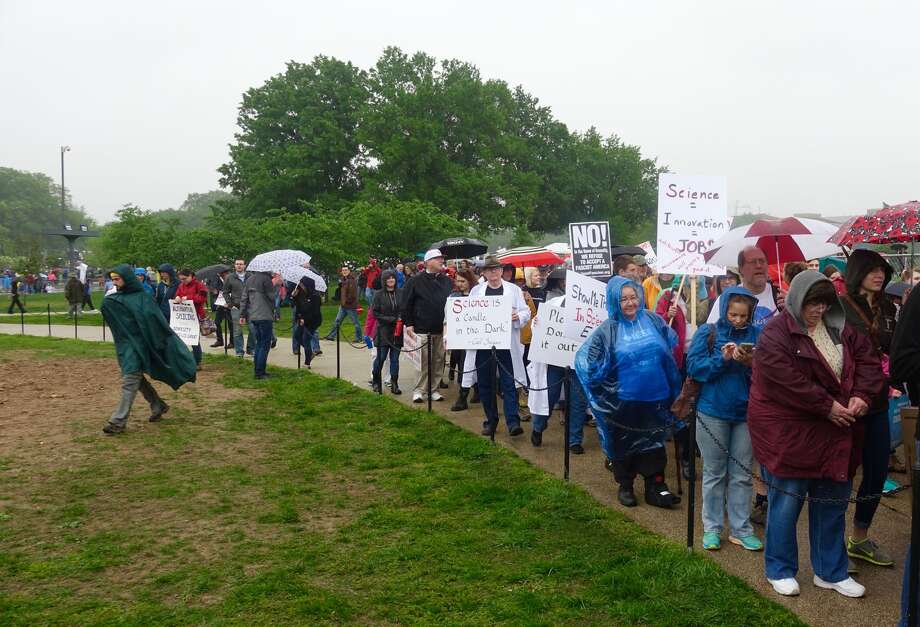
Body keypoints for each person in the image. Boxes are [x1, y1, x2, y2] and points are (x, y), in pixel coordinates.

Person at [748, 270, 883, 598]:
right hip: (791, 435)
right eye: (812, 303)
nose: (818, 310)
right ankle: (779, 568)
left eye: (824, 303)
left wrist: (862, 397)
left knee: (832, 504)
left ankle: (831, 571)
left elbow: (869, 362)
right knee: (785, 505)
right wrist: (827, 406)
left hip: (836, 433)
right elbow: (784, 381)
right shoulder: (775, 334)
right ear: (796, 300)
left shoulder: (842, 329)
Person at [575, 276, 683, 508]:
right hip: (623, 402)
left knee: (654, 443)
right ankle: (625, 485)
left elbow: (668, 348)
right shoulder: (607, 330)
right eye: (623, 299)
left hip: (656, 397)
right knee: (624, 444)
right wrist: (606, 392)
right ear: (615, 302)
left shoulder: (653, 320)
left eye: (633, 297)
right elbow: (588, 363)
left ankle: (656, 486)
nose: (630, 303)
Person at [708, 245, 785, 524]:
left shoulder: (779, 295)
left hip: (771, 384)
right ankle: (733, 502)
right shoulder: (727, 298)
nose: (759, 266)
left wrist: (789, 311)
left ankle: (764, 498)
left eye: (763, 261)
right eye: (752, 262)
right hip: (735, 388)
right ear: (741, 269)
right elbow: (712, 338)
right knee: (735, 454)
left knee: (766, 446)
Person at [686, 286, 762, 552]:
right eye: (733, 314)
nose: (738, 320)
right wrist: (723, 359)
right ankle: (712, 528)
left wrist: (750, 363)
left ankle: (741, 529)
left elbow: (768, 373)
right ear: (724, 310)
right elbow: (695, 368)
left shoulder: (757, 334)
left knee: (741, 474)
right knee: (714, 472)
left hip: (745, 412)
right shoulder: (709, 332)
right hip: (712, 411)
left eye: (743, 315)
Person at [838, 250, 897, 569]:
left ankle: (859, 538)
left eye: (883, 270)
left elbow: (895, 347)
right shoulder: (840, 307)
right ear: (857, 271)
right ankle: (832, 545)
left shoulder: (890, 307)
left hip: (879, 401)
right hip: (849, 401)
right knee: (841, 473)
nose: (879, 275)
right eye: (872, 269)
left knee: (876, 472)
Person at [99, 265, 197, 435]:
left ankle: (118, 421)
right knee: (135, 377)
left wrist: (160, 342)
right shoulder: (113, 299)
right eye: (113, 279)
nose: (115, 282)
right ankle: (157, 404)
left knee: (130, 379)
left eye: (117, 279)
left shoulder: (143, 298)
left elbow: (155, 321)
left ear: (127, 278)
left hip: (143, 345)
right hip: (126, 345)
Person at [461, 255, 531, 436]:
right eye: (489, 269)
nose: (494, 272)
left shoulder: (513, 290)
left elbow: (525, 311)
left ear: (501, 271)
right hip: (484, 345)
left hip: (506, 344)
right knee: (486, 384)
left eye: (497, 269)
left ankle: (513, 422)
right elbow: (468, 314)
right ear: (483, 272)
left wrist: (519, 317)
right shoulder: (477, 291)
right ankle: (490, 421)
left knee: (509, 383)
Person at [527, 295, 591, 452]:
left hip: (578, 363)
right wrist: (536, 324)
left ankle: (574, 440)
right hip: (554, 361)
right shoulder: (552, 304)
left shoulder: (589, 307)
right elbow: (537, 327)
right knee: (548, 397)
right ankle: (538, 426)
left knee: (578, 401)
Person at [402, 249, 453, 403]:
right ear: (428, 262)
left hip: (442, 328)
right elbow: (406, 304)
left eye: (442, 259)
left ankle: (434, 389)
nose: (441, 261)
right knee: (423, 361)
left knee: (439, 361)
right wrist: (409, 323)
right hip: (422, 327)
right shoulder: (415, 281)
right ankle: (419, 390)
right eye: (438, 259)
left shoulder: (446, 280)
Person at [240, 269, 276, 380]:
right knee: (264, 345)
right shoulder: (266, 279)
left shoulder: (249, 279)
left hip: (253, 315)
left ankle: (258, 370)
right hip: (264, 315)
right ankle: (260, 373)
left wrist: (242, 314)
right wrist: (275, 284)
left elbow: (244, 298)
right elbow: (272, 297)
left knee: (259, 344)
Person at [371, 270, 403, 394]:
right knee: (381, 357)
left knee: (395, 359)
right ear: (384, 281)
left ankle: (394, 383)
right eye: (388, 279)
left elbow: (404, 308)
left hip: (397, 331)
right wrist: (391, 319)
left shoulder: (401, 293)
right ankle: (376, 380)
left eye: (393, 278)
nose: (391, 280)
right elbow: (375, 312)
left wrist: (400, 318)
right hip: (383, 330)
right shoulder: (378, 294)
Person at [174, 268, 207, 370]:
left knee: (194, 340)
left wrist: (188, 298)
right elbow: (178, 294)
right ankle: (186, 360)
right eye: (181, 279)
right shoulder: (181, 285)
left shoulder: (199, 285)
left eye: (184, 279)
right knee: (182, 338)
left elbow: (202, 298)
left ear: (191, 276)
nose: (183, 281)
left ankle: (197, 361)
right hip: (184, 316)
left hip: (196, 315)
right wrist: (177, 298)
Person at [448, 270, 475, 388]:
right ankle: (462, 387)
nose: (460, 284)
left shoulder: (477, 295)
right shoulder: (453, 296)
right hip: (458, 333)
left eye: (463, 281)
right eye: (458, 281)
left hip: (473, 334)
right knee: (459, 359)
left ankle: (476, 389)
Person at [323, 267, 362, 343]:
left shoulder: (351, 280)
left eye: (346, 270)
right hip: (343, 306)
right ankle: (331, 336)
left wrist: (347, 301)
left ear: (349, 271)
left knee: (355, 322)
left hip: (350, 306)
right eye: (343, 270)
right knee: (337, 321)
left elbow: (353, 294)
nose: (344, 271)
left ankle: (359, 338)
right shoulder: (343, 280)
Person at [292, 276, 322, 368]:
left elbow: (315, 312)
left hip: (313, 321)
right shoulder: (300, 294)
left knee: (306, 339)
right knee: (297, 335)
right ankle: (310, 352)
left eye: (302, 284)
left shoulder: (315, 296)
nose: (300, 286)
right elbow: (298, 308)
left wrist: (304, 319)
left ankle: (307, 362)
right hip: (302, 319)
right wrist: (294, 297)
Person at [223, 259, 248, 357]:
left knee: (253, 329)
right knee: (237, 330)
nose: (239, 266)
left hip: (250, 306)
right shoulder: (230, 277)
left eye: (241, 264)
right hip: (236, 307)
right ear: (235, 266)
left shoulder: (250, 276)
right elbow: (225, 292)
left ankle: (251, 348)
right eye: (237, 264)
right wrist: (230, 304)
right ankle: (239, 351)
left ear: (244, 266)